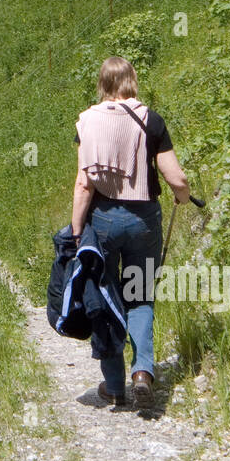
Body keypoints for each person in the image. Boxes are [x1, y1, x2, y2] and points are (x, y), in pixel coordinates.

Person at [71, 56, 190, 409]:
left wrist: (78, 230)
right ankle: (142, 371)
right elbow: (177, 179)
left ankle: (114, 385)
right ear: (132, 81)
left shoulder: (86, 123)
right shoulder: (151, 120)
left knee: (106, 298)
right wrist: (183, 197)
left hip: (104, 220)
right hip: (143, 220)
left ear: (102, 84)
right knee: (139, 292)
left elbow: (83, 183)